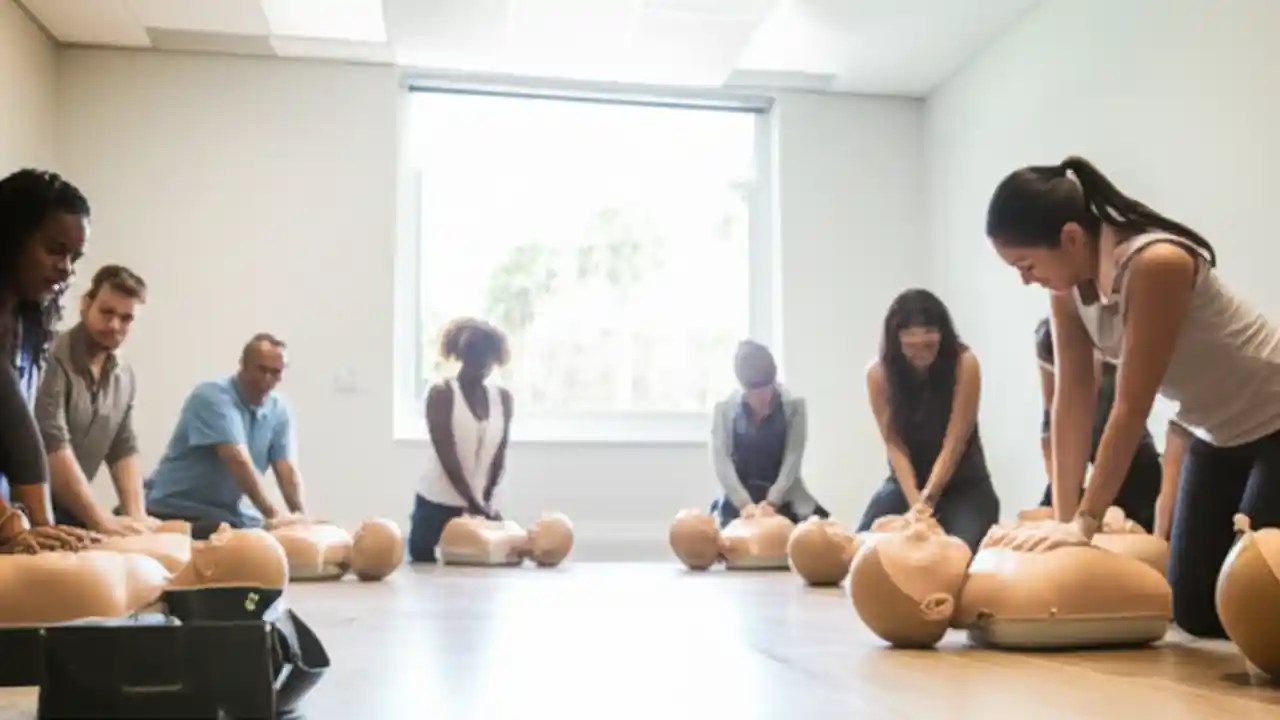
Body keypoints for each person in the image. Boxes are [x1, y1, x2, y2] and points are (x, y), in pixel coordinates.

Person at [984, 155, 1280, 638]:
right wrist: (1063, 523)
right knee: (1197, 612)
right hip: (1218, 432)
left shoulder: (1156, 263)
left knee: (1261, 592)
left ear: (1071, 238)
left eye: (1026, 264)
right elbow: (1071, 402)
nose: (1025, 279)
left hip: (1275, 415)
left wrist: (1086, 522)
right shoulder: (1066, 292)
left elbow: (1130, 406)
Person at [0, 168, 99, 553]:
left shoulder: (28, 326)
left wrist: (36, 525)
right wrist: (17, 526)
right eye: (55, 250)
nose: (67, 268)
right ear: (11, 238)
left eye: (75, 256)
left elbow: (20, 437)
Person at [857, 289, 1000, 553]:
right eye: (910, 346)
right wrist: (916, 504)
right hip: (905, 485)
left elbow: (955, 441)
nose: (920, 353)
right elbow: (894, 444)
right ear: (896, 342)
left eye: (929, 345)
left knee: (954, 553)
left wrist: (927, 501)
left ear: (943, 338)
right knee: (861, 548)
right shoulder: (878, 373)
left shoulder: (964, 363)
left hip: (964, 485)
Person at [35, 264, 159, 535]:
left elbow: (122, 447)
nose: (114, 325)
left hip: (75, 514)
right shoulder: (52, 357)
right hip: (32, 513)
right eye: (107, 312)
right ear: (85, 305)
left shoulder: (124, 375)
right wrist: (100, 521)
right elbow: (52, 444)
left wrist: (138, 517)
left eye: (126, 318)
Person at [144, 333, 307, 539]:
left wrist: (300, 519)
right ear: (243, 365)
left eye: (275, 373)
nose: (267, 379)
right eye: (261, 370)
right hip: (179, 510)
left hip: (230, 516)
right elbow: (236, 458)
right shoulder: (212, 397)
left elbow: (286, 469)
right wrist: (274, 515)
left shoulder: (279, 409)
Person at [1033, 316, 1184, 535]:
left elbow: (1169, 437)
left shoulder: (1116, 349)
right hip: (1086, 467)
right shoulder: (1047, 338)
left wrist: (1161, 529)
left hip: (1133, 469)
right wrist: (1063, 513)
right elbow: (1050, 430)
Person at [408, 317, 513, 563]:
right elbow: (448, 457)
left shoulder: (503, 399)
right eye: (477, 359)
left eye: (488, 360)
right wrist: (472, 502)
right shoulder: (442, 394)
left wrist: (485, 501)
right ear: (463, 356)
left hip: (480, 506)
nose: (483, 367)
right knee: (427, 577)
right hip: (436, 507)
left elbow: (499, 456)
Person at [709, 340, 827, 526]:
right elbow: (722, 462)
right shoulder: (725, 410)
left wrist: (773, 501)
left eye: (766, 390)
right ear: (743, 388)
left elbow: (793, 458)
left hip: (784, 493)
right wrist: (745, 505)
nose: (762, 399)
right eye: (754, 393)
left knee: (821, 535)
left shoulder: (794, 407)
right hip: (739, 497)